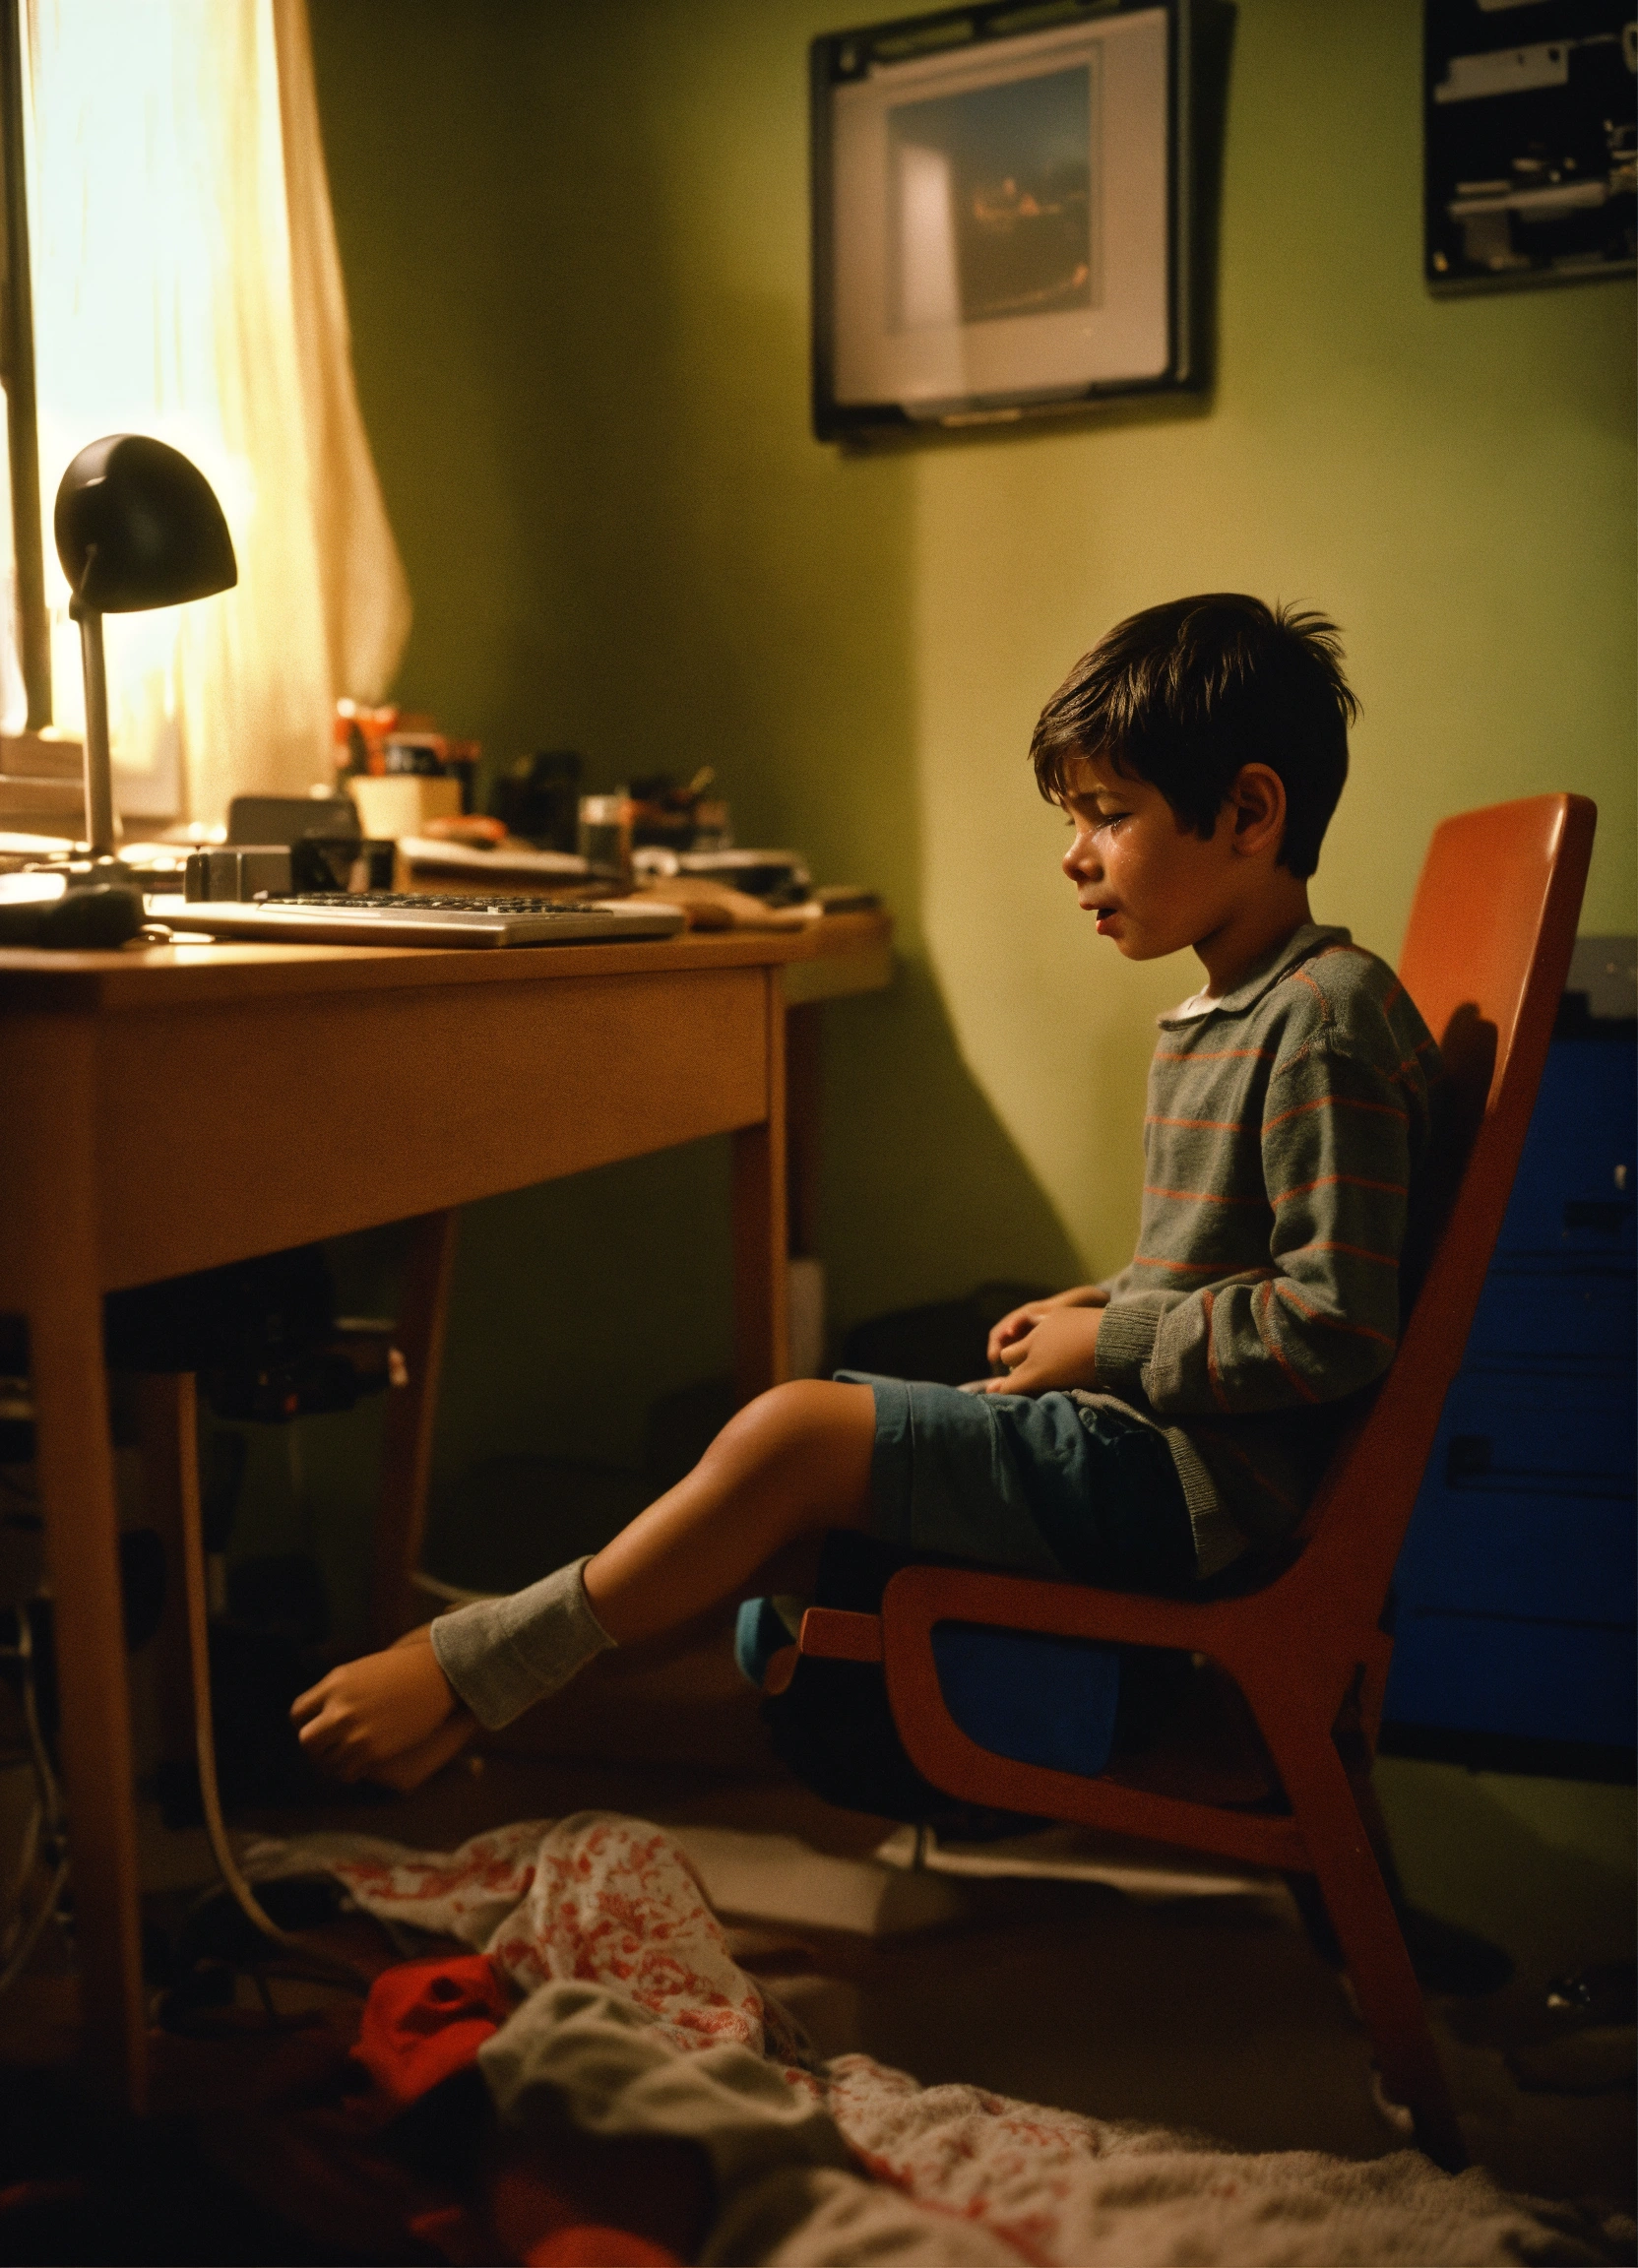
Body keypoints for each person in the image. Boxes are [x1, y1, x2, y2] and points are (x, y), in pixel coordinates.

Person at [291, 593, 1442, 1790]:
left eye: (1109, 814)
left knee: (791, 1436)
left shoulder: (1319, 1022)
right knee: (772, 1514)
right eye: (1074, 819)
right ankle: (493, 1694)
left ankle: (471, 1665)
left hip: (1193, 1493)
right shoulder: (1240, 1010)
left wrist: (1108, 1345)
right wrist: (1100, 1304)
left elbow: (1331, 1323)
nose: (1073, 855)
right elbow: (1230, 1264)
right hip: (1159, 1455)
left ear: (1249, 811)